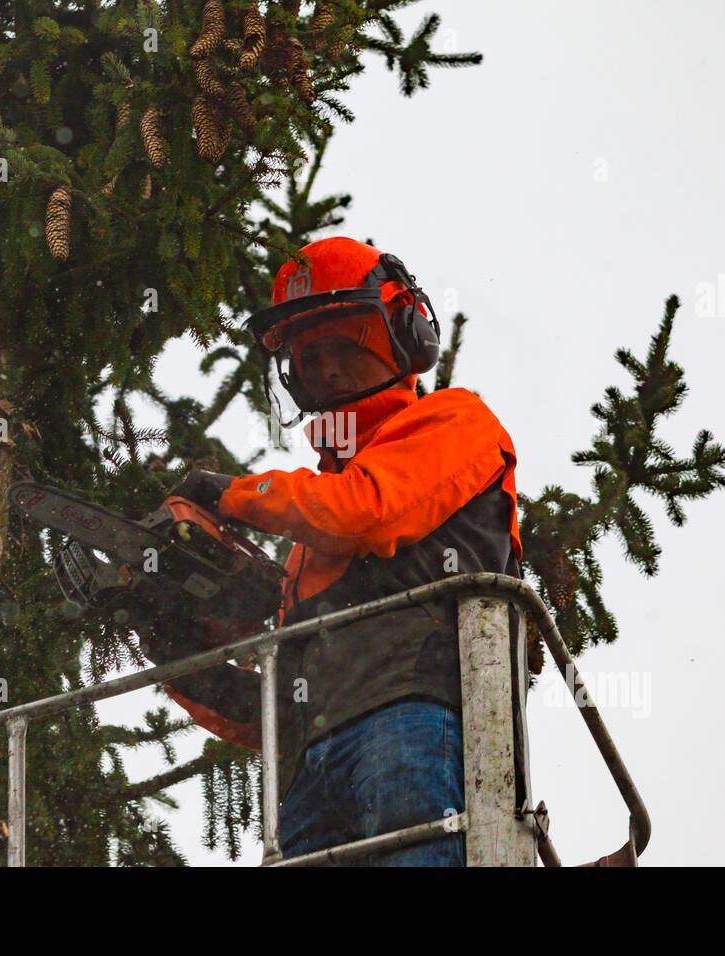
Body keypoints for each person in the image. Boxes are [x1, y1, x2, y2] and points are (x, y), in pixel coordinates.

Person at [147, 236, 525, 866]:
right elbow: (272, 712)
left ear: (402, 331)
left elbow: (366, 510)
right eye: (307, 353)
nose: (324, 368)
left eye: (345, 342)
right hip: (306, 772)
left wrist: (232, 495)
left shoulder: (455, 423)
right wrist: (171, 647)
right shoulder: (308, 549)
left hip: (414, 716)